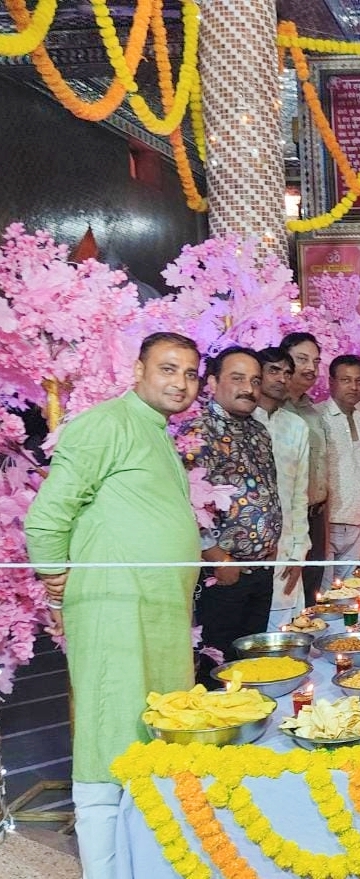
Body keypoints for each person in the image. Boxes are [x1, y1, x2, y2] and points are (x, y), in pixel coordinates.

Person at [24, 332, 202, 879]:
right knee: (108, 734)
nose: (180, 383)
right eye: (168, 369)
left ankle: (142, 861)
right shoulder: (107, 423)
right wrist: (55, 580)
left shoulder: (154, 431)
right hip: (115, 607)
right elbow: (47, 515)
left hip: (155, 610)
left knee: (148, 729)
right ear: (137, 370)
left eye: (191, 374)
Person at [180, 346, 282, 686]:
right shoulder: (197, 432)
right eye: (237, 378)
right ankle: (212, 735)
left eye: (254, 380)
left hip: (261, 567)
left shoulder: (258, 430)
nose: (248, 388)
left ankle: (246, 729)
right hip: (222, 572)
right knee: (217, 664)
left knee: (252, 662)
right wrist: (216, 556)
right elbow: (186, 504)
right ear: (212, 382)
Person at [253, 347, 310, 630]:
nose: (282, 379)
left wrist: (300, 550)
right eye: (273, 370)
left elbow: (300, 493)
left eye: (287, 373)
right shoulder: (243, 421)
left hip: (288, 545)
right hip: (245, 551)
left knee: (286, 629)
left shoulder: (296, 426)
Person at [318, 354, 360, 583]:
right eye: (346, 380)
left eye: (358, 381)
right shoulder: (319, 417)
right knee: (324, 597)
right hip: (327, 523)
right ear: (331, 382)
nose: (354, 387)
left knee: (349, 593)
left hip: (357, 521)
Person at [280, 332, 328, 607]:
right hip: (287, 520)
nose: (311, 368)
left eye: (316, 361)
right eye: (302, 360)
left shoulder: (312, 410)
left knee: (312, 591)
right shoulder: (269, 409)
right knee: (287, 596)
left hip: (315, 515)